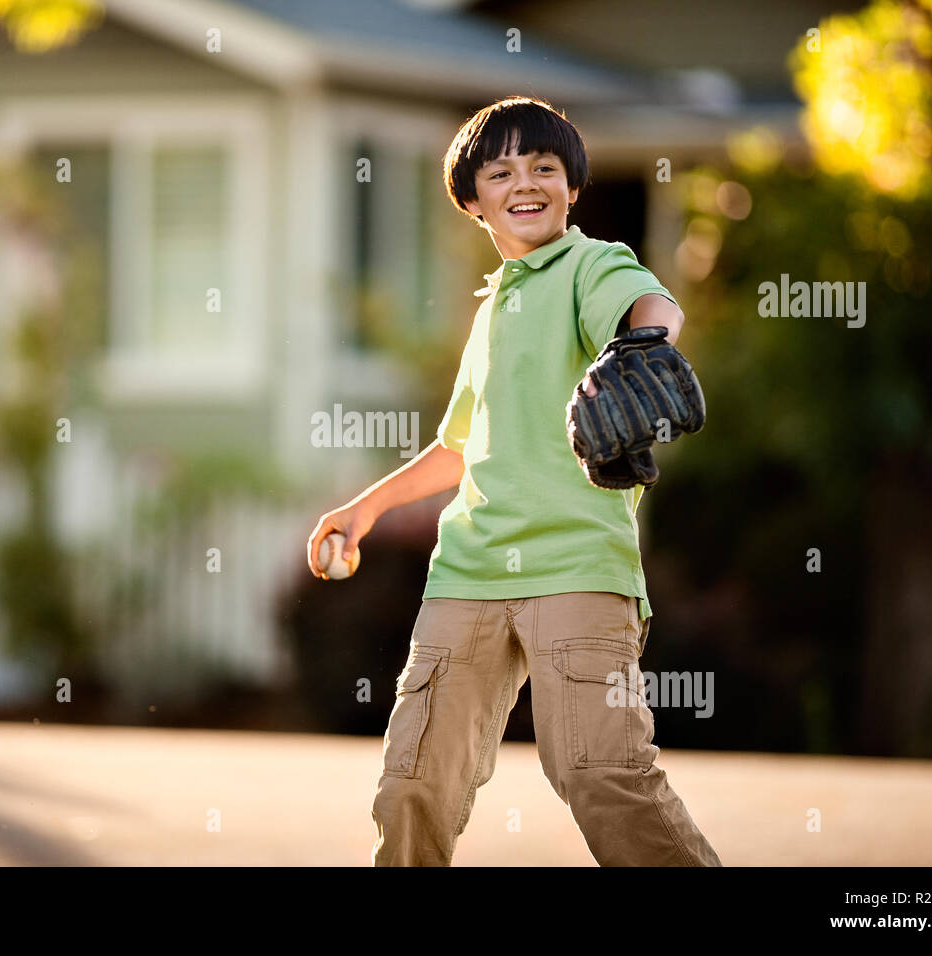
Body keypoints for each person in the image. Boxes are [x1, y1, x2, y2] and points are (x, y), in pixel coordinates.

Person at [306, 95, 722, 867]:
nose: (524, 182)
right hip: (468, 571)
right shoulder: (493, 307)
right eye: (500, 171)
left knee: (602, 775)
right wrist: (365, 509)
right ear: (472, 200)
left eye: (544, 167)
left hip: (576, 565)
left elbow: (649, 301)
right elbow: (459, 446)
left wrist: (647, 341)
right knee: (412, 787)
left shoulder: (589, 265)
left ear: (572, 188)